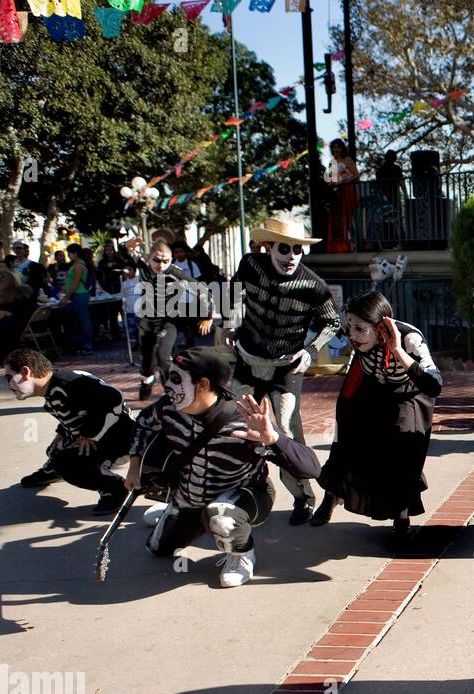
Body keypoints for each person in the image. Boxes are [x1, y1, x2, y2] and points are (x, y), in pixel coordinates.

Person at [125, 348, 322, 588]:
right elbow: (143, 424)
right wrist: (135, 466)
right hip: (191, 495)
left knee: (221, 518)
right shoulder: (167, 408)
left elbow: (312, 468)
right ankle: (178, 510)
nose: (167, 386)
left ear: (203, 384)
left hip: (244, 496)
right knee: (158, 549)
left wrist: (274, 440)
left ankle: (241, 554)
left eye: (176, 379)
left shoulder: (244, 420)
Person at [220, 216, 341, 525]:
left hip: (285, 371)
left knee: (286, 431)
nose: (290, 257)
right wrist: (229, 324)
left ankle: (303, 497)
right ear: (269, 247)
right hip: (248, 362)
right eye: (284, 249)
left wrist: (310, 350)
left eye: (297, 250)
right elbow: (232, 291)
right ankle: (240, 489)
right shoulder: (251, 265)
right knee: (235, 427)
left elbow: (333, 321)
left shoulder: (314, 286)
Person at [310, 291, 443, 547]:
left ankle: (401, 519)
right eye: (350, 327)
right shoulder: (359, 341)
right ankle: (332, 495)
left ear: (380, 327)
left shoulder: (410, 338)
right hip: (369, 385)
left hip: (409, 393)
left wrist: (397, 351)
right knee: (346, 443)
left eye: (360, 329)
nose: (352, 335)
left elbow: (435, 385)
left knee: (405, 451)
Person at [3, 347, 133, 514]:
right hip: (103, 438)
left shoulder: (67, 382)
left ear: (26, 372)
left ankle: (115, 488)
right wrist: (62, 433)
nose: (8, 384)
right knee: (54, 450)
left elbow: (113, 397)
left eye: (9, 377)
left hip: (120, 441)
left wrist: (89, 433)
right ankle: (55, 468)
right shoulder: (53, 389)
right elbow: (75, 413)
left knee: (67, 463)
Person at [122, 237, 213, 401]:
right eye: (156, 260)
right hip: (147, 319)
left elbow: (204, 291)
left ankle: (171, 391)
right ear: (149, 258)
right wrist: (128, 245)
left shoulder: (175, 273)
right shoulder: (143, 266)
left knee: (163, 356)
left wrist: (208, 316)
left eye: (165, 261)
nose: (160, 265)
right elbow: (126, 253)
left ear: (170, 260)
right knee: (148, 359)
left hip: (169, 320)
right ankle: (147, 380)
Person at [56, 243, 94, 355]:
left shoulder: (79, 266)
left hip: (79, 294)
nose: (68, 255)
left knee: (84, 320)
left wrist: (67, 296)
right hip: (78, 294)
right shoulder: (76, 264)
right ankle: (81, 343)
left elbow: (75, 282)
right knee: (80, 320)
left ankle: (88, 345)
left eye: (70, 253)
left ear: (75, 253)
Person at [324, 139, 360, 254]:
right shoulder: (332, 162)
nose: (336, 149)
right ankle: (339, 246)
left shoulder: (347, 160)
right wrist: (331, 183)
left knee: (348, 217)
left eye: (338, 147)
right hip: (336, 193)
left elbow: (356, 175)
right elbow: (330, 179)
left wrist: (344, 181)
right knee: (337, 220)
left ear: (342, 148)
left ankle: (352, 244)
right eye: (334, 147)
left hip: (348, 190)